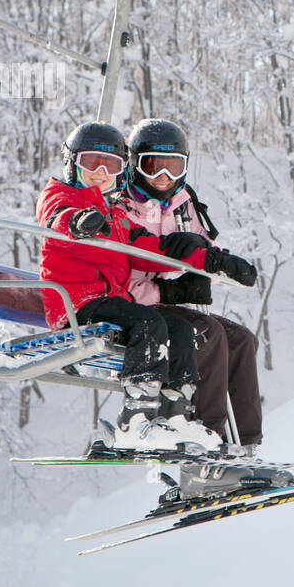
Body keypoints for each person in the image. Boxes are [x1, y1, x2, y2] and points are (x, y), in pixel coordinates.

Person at [35, 121, 256, 453]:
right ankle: (135, 417)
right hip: (77, 303)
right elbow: (56, 214)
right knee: (153, 322)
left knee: (179, 328)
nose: (99, 172)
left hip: (112, 302)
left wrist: (209, 260)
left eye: (110, 165)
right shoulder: (65, 198)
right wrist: (79, 221)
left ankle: (178, 416)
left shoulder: (116, 217)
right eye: (90, 162)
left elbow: (152, 250)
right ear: (72, 163)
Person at [115, 118, 264, 456]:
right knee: (206, 333)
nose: (163, 178)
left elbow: (202, 247)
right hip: (128, 301)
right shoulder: (120, 202)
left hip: (155, 298)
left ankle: (248, 444)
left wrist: (222, 262)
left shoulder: (183, 202)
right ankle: (206, 437)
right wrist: (172, 273)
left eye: (173, 167)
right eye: (153, 167)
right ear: (135, 164)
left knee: (242, 339)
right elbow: (130, 254)